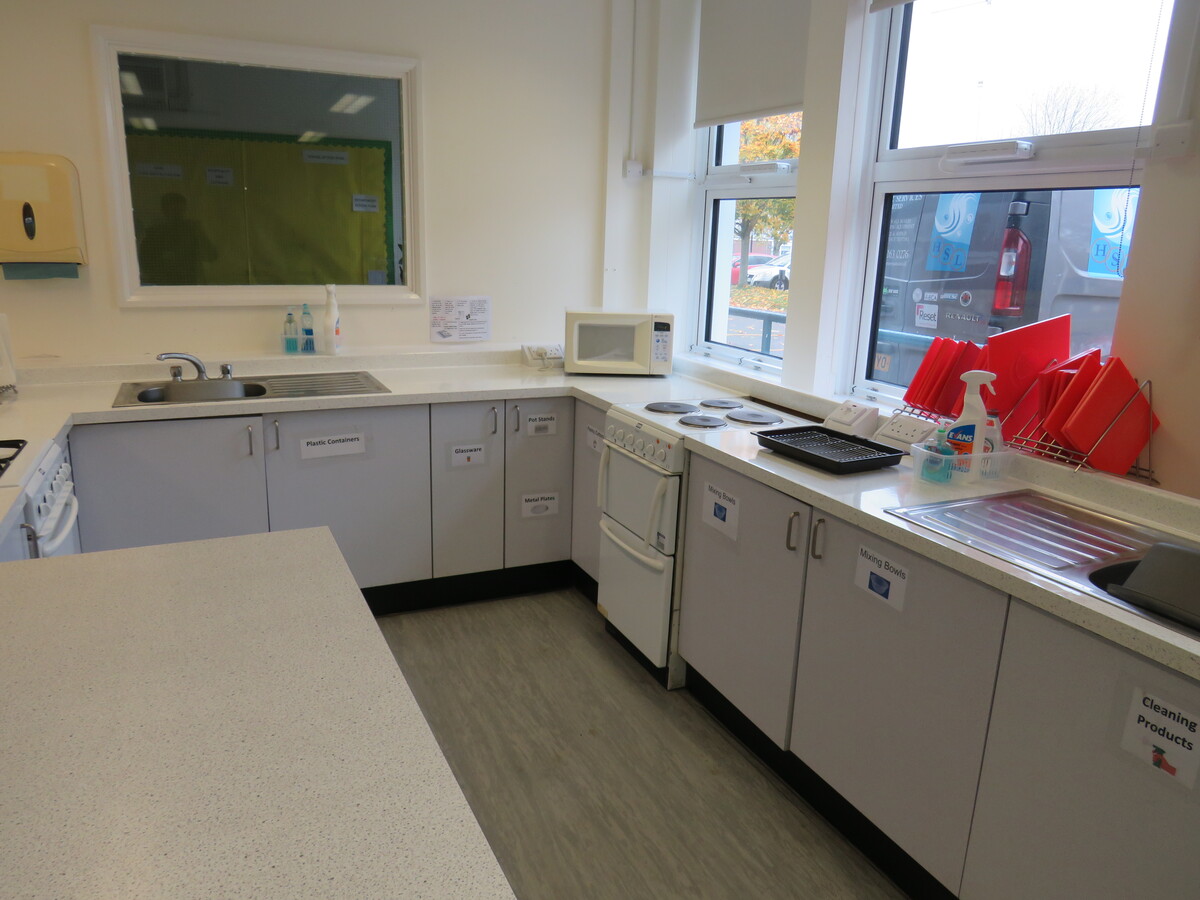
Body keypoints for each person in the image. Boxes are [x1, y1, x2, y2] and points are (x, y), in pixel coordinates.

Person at [138, 192, 218, 284]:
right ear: (164, 210)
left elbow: (211, 255)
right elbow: (146, 264)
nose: (177, 214)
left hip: (190, 284)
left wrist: (199, 233)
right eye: (173, 210)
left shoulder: (192, 230)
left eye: (180, 210)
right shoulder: (154, 233)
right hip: (165, 285)